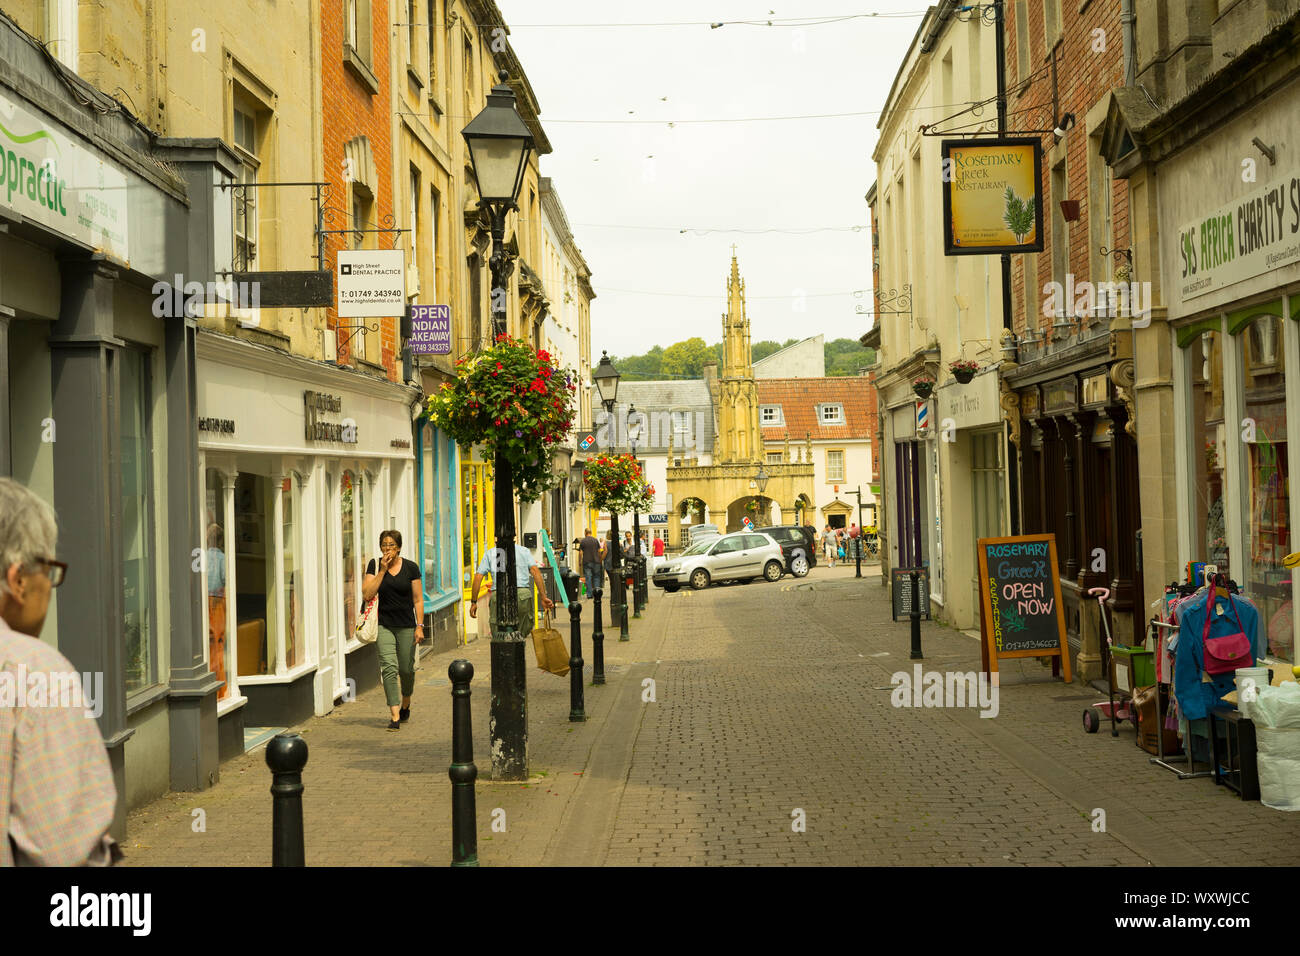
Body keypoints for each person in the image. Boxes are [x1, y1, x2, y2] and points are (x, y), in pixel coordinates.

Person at [0, 478, 118, 865]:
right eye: (48, 571)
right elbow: (65, 852)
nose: (50, 587)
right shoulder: (35, 674)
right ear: (18, 580)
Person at [362, 530, 424, 731]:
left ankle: (406, 701)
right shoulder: (374, 565)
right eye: (384, 545)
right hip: (384, 625)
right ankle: (395, 715)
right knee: (389, 668)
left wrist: (420, 626)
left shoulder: (411, 568)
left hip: (406, 625)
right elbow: (367, 594)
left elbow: (417, 599)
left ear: (399, 547)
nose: (387, 549)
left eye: (391, 545)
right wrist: (382, 570)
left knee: (406, 669)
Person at [468, 543, 555, 639]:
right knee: (520, 635)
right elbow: (535, 571)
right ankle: (518, 648)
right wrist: (543, 597)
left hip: (498, 595)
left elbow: (478, 577)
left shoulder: (491, 553)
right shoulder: (524, 551)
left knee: (499, 635)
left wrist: (473, 602)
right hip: (522, 595)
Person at [205, 523, 227, 696]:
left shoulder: (202, 557)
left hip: (204, 601)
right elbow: (226, 580)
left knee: (210, 643)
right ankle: (221, 687)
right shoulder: (221, 558)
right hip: (218, 602)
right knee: (218, 644)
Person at [578, 528, 603, 599]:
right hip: (596, 561)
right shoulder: (595, 540)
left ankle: (589, 594)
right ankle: (597, 593)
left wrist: (580, 561)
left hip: (587, 561)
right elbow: (598, 551)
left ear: (585, 532)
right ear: (591, 532)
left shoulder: (583, 541)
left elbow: (580, 552)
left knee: (588, 578)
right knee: (596, 577)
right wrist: (600, 559)